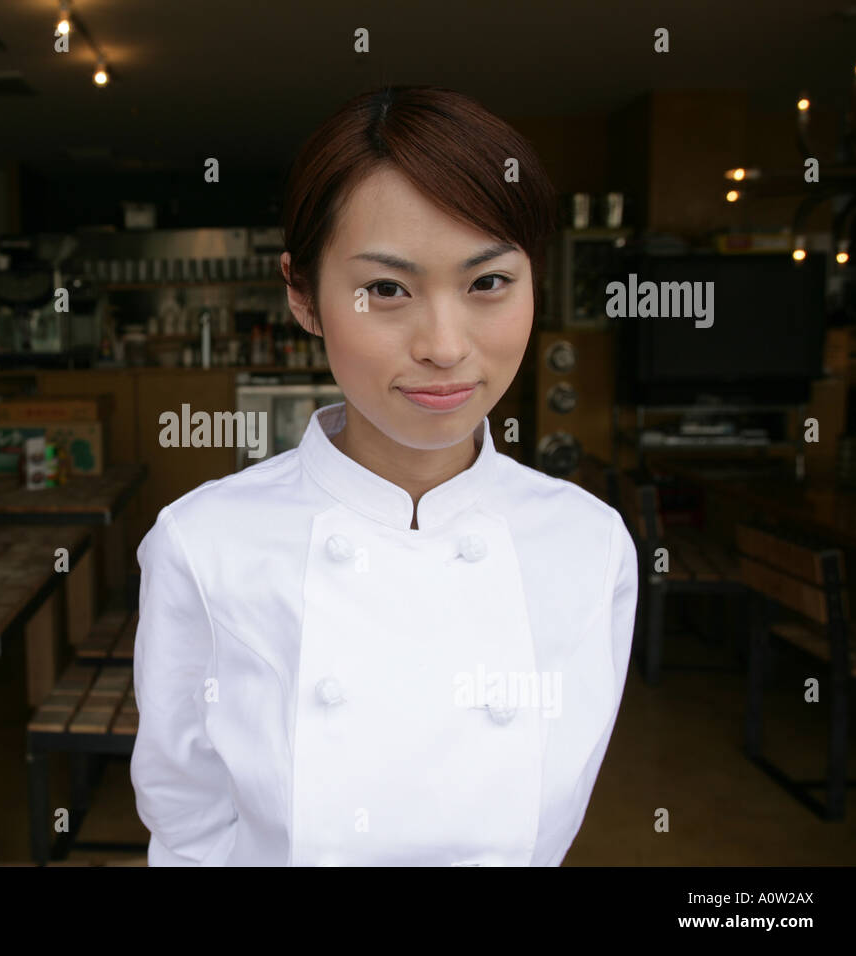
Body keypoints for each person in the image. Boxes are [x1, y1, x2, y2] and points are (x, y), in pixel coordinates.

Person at [129, 86, 638, 866]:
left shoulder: (589, 545)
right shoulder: (204, 546)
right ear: (302, 295)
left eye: (488, 283)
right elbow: (188, 826)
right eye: (387, 290)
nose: (443, 345)